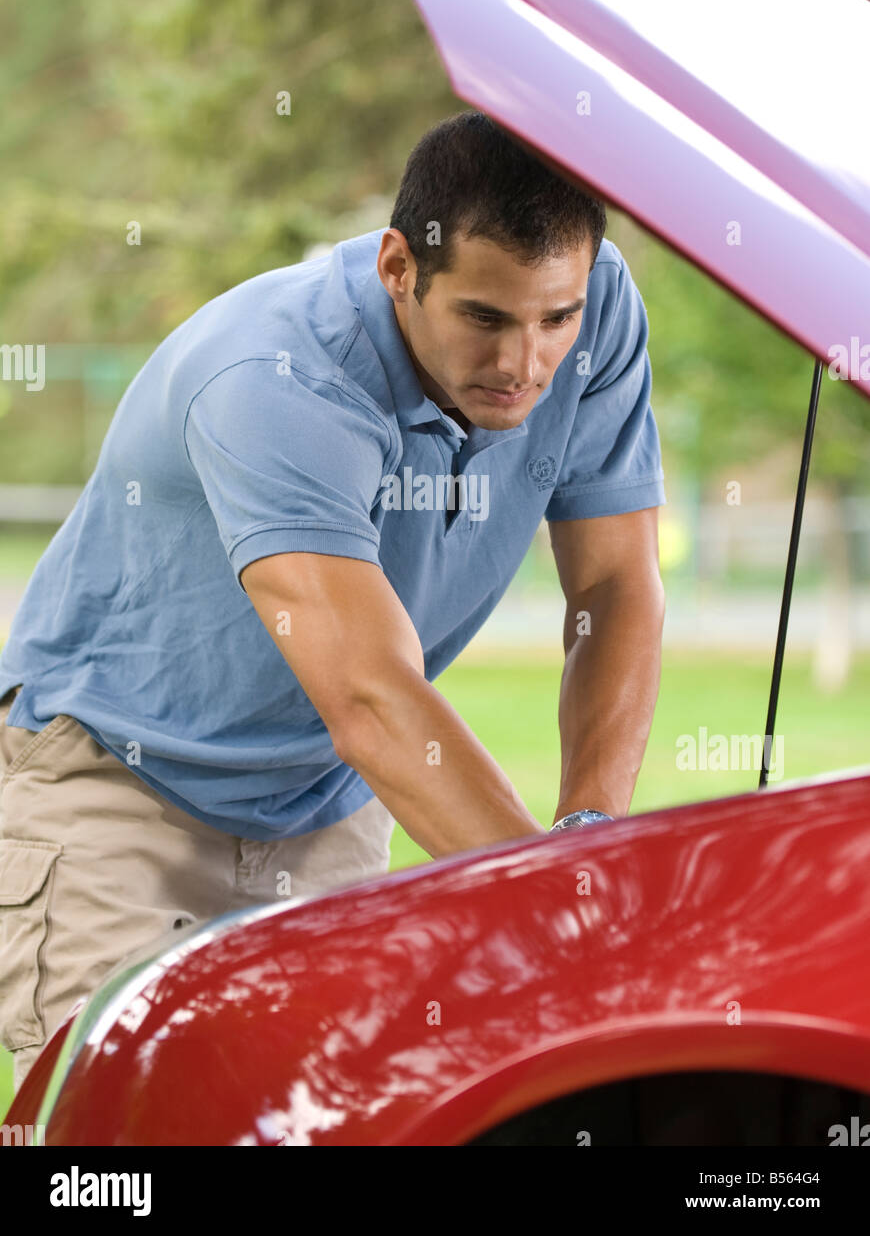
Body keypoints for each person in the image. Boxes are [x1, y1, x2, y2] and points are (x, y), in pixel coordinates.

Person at [0, 111, 665, 1093]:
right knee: (133, 1142)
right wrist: (551, 910)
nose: (527, 361)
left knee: (357, 1119)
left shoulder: (595, 306)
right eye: (485, 317)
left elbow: (613, 585)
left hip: (324, 798)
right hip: (122, 791)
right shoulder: (275, 382)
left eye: (553, 319)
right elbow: (369, 695)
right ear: (400, 266)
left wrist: (587, 839)